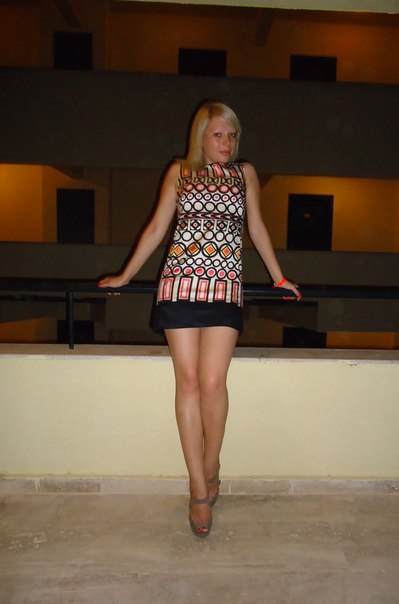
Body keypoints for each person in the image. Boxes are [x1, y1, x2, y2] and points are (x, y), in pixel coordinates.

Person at [98, 101, 302, 538]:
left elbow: (257, 228)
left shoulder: (245, 175)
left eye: (232, 135)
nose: (226, 143)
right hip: (179, 285)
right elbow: (158, 228)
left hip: (225, 288)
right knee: (188, 382)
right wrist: (125, 275)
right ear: (201, 137)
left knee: (212, 382)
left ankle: (212, 465)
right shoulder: (180, 172)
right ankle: (197, 487)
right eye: (218, 135)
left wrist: (279, 277)